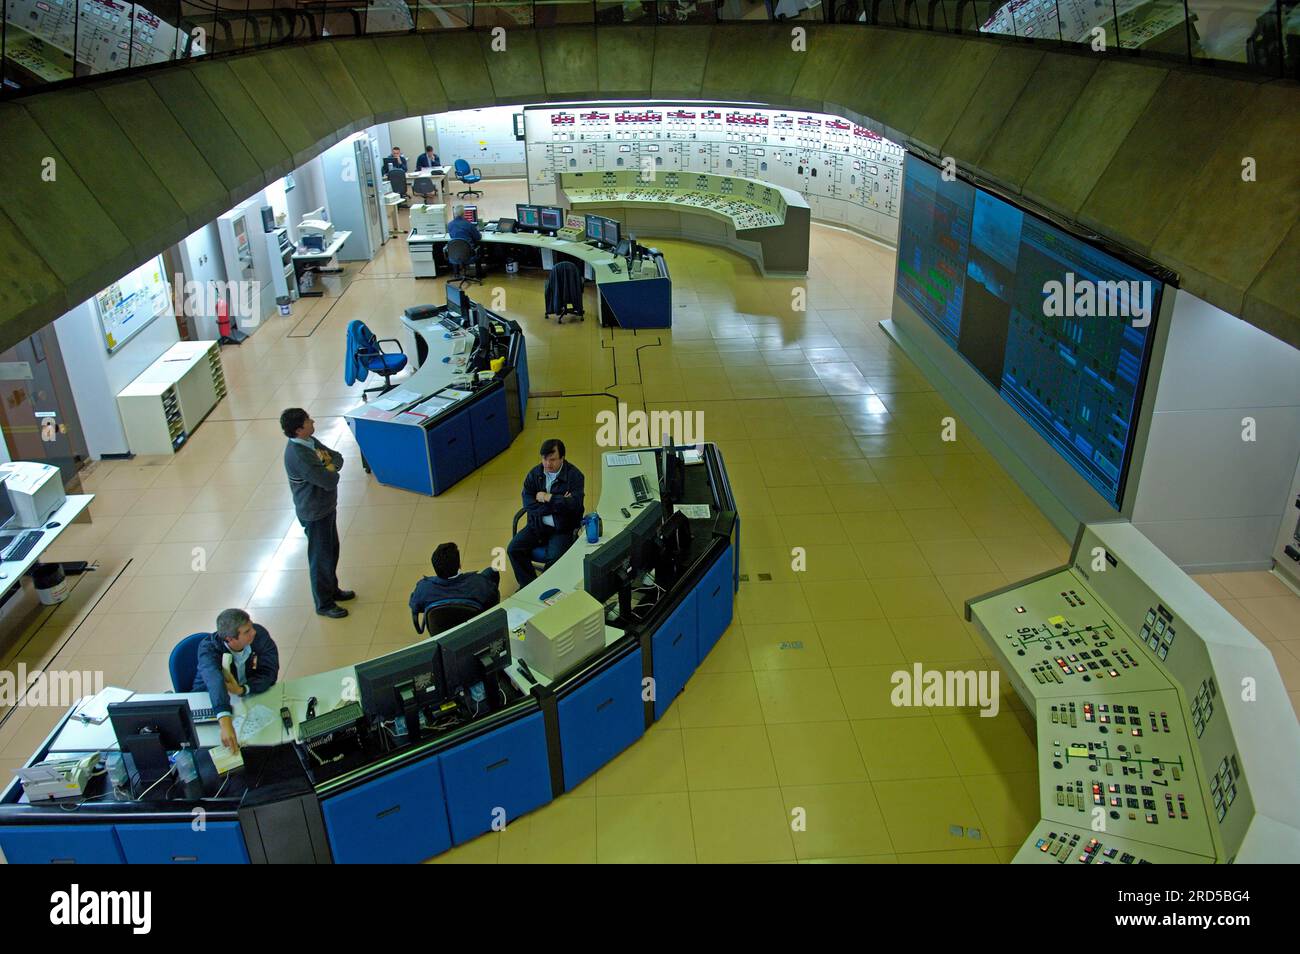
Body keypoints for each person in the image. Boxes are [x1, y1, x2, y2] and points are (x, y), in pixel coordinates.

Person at [281, 408, 355, 618]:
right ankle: (324, 604)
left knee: (332, 550)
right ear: (298, 429)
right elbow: (329, 480)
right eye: (307, 421)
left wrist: (328, 466)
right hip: (314, 513)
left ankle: (332, 590)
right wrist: (329, 468)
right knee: (320, 558)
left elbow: (337, 457)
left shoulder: (309, 441)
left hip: (325, 507)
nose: (312, 421)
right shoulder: (300, 456)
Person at [191, 609, 280, 754]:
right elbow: (215, 682)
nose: (254, 632)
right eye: (247, 631)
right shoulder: (208, 649)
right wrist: (225, 723)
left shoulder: (259, 635)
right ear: (229, 639)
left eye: (251, 626)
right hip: (212, 699)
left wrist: (243, 689)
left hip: (244, 697)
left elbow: (269, 673)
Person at [507, 439, 585, 587]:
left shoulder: (575, 476)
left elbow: (575, 505)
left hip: (561, 528)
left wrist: (547, 497)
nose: (547, 464)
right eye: (544, 459)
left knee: (555, 557)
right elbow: (528, 504)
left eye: (552, 460)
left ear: (562, 458)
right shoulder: (534, 474)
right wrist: (559, 502)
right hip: (536, 525)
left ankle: (545, 586)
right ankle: (529, 586)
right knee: (513, 549)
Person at [410, 542, 500, 621]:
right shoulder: (479, 583)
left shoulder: (423, 588)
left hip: (441, 629)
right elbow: (492, 599)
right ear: (459, 565)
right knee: (491, 571)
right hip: (473, 627)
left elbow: (415, 606)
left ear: (435, 568)